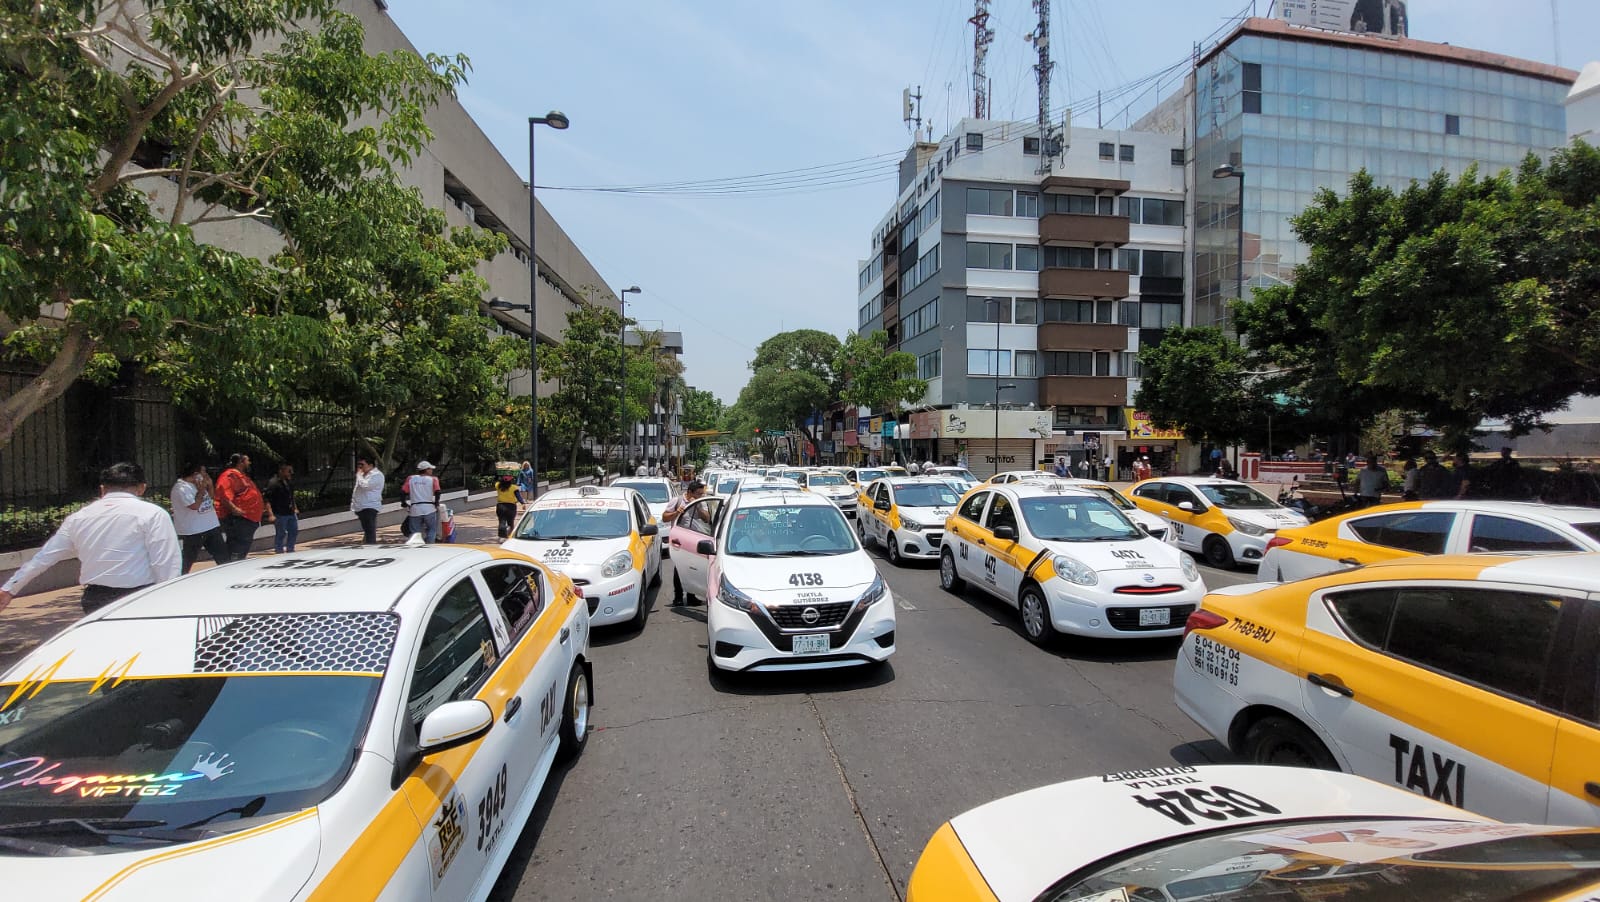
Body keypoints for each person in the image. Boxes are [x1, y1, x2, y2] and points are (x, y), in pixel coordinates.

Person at [0, 462, 180, 615]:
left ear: (102, 489)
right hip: (139, 597)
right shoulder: (153, 514)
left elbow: (44, 557)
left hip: (95, 600)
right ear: (142, 488)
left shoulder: (78, 517)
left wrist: (9, 588)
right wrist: (169, 600)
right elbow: (166, 562)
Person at [172, 461, 228, 573]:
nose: (205, 475)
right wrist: (201, 490)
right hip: (194, 530)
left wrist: (210, 485)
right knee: (188, 559)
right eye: (203, 472)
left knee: (223, 556)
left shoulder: (197, 484)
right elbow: (195, 506)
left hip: (211, 525)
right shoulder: (181, 488)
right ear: (195, 474)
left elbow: (210, 499)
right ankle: (178, 577)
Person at [216, 453, 269, 561]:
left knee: (242, 548)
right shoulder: (230, 475)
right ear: (241, 462)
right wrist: (234, 509)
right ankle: (232, 570)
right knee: (237, 549)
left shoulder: (241, 476)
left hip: (248, 519)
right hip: (240, 520)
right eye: (247, 460)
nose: (249, 463)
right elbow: (223, 495)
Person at [663, 480, 708, 607]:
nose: (700, 496)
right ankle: (678, 597)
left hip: (694, 539)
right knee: (679, 569)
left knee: (693, 568)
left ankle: (691, 596)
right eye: (698, 494)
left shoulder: (700, 503)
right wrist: (676, 513)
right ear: (689, 492)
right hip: (680, 540)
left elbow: (707, 518)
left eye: (701, 494)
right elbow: (665, 517)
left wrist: (698, 506)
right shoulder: (677, 501)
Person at [403, 461, 442, 544]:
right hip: (429, 509)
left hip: (415, 510)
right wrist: (436, 503)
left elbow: (403, 491)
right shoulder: (433, 479)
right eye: (430, 469)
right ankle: (429, 546)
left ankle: (417, 548)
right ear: (426, 470)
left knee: (415, 532)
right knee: (432, 529)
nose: (432, 471)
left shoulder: (411, 479)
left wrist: (403, 503)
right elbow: (438, 491)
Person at [264, 462, 299, 554]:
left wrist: (295, 507)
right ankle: (279, 551)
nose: (291, 473)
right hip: (280, 513)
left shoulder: (288, 482)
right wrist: (270, 514)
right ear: (281, 471)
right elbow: (267, 499)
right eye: (288, 471)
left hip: (290, 512)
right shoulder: (273, 483)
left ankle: (290, 549)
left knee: (294, 531)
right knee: (281, 533)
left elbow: (291, 496)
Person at [351, 456, 385, 544]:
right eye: (359, 464)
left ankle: (371, 546)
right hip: (360, 506)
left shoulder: (377, 475)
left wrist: (358, 475)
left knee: (370, 529)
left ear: (370, 465)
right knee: (367, 529)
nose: (360, 467)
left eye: (362, 464)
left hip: (370, 506)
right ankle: (368, 543)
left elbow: (366, 486)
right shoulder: (363, 475)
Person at [495, 471, 520, 539]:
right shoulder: (514, 487)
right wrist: (523, 503)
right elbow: (518, 497)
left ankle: (501, 536)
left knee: (502, 521)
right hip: (511, 507)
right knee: (510, 523)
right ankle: (509, 536)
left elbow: (496, 479)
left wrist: (500, 473)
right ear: (511, 479)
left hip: (500, 506)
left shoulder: (498, 485)